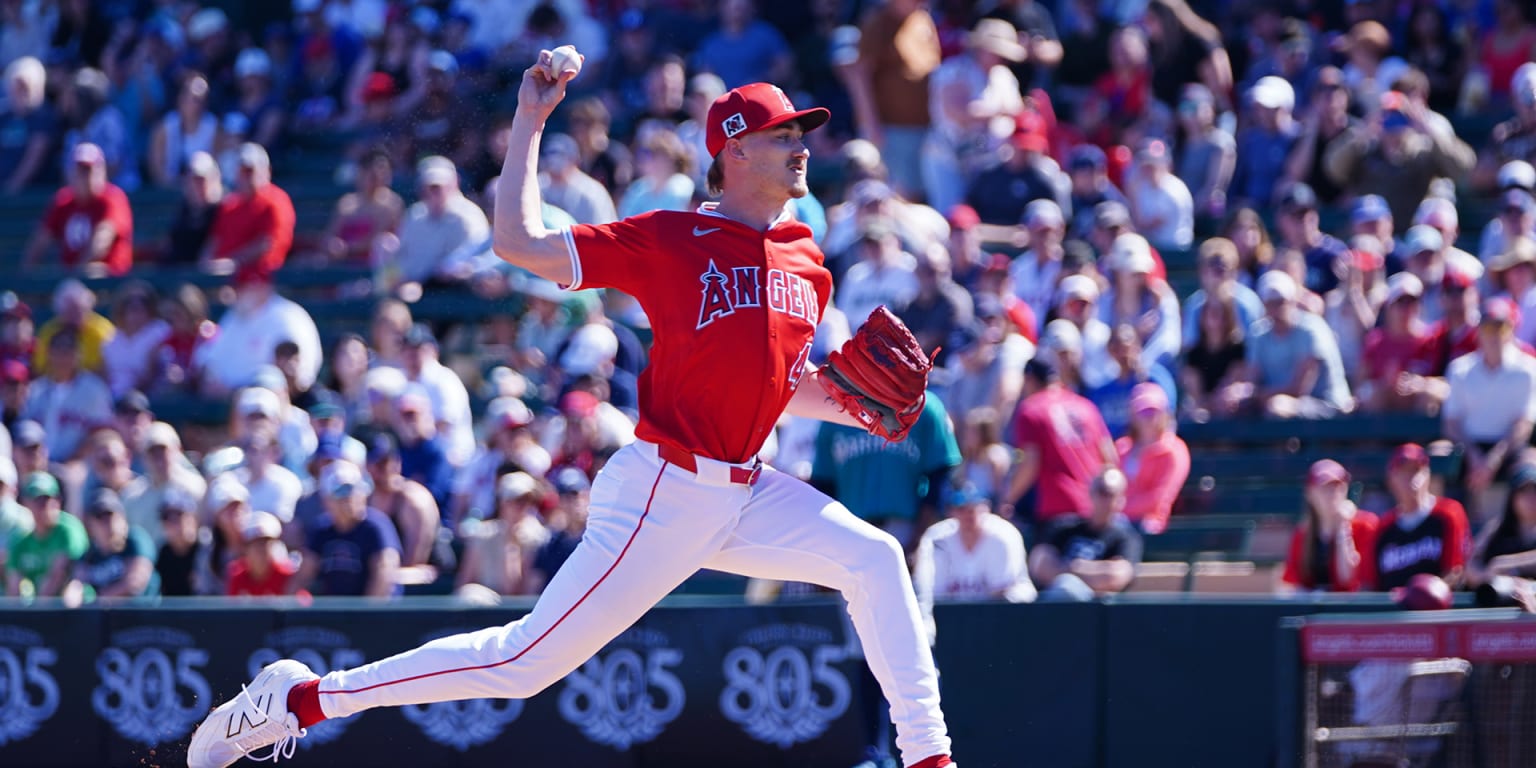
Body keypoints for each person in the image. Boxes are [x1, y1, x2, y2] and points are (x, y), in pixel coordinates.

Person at [187, 61, 957, 768]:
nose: (800, 148)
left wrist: (852, 406)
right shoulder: (672, 238)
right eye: (782, 134)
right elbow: (518, 241)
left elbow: (781, 384)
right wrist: (529, 122)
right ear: (733, 149)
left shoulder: (806, 259)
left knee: (877, 560)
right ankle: (298, 699)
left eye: (801, 134)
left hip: (745, 487)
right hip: (665, 490)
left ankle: (929, 757)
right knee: (522, 664)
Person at [812, 392, 962, 551]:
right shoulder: (837, 408)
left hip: (906, 527)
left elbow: (938, 475)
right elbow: (824, 482)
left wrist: (918, 538)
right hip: (850, 527)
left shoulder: (924, 406)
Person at [1443, 299, 1536, 523]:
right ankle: (1452, 527)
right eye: (1487, 327)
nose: (1494, 334)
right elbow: (1452, 424)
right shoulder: (1460, 370)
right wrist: (1475, 456)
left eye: (1501, 327)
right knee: (1442, 460)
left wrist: (1493, 459)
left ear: (1511, 330)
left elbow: (1523, 425)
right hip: (1469, 447)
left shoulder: (1527, 370)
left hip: (1510, 448)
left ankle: (1520, 534)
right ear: (1478, 332)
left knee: (1529, 470)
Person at [1001, 356, 1117, 526]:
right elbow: (1110, 458)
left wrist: (1007, 498)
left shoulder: (1031, 409)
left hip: (1058, 512)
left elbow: (1030, 464)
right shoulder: (1086, 406)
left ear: (1029, 379)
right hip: (1095, 510)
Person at [913, 482, 1036, 642]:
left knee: (1017, 597)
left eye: (974, 507)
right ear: (951, 511)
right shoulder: (936, 538)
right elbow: (930, 595)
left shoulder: (1003, 536)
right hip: (951, 622)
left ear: (987, 507)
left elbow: (1000, 596)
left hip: (1001, 622)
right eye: (961, 508)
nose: (968, 515)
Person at [1234, 271, 1354, 419]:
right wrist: (1239, 394)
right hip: (1275, 402)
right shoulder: (1258, 334)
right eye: (1271, 303)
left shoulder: (1311, 329)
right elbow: (1252, 378)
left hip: (1328, 406)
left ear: (1292, 301)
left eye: (1281, 302)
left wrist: (1256, 395)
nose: (1276, 309)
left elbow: (1299, 389)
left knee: (1277, 407)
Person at [1366, 444, 1470, 591]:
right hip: (1391, 610)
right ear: (1391, 480)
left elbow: (1456, 572)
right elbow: (1371, 584)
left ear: (1428, 475)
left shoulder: (1449, 513)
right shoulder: (1383, 528)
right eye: (1403, 472)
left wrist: (1421, 596)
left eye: (1416, 470)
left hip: (1436, 609)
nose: (1411, 478)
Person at [1028, 468, 1143, 599]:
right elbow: (1040, 567)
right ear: (1090, 493)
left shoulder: (1126, 537)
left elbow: (1116, 577)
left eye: (1110, 494)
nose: (1104, 499)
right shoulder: (1063, 526)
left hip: (1095, 609)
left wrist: (1071, 567)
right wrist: (1097, 571)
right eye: (1100, 491)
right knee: (1065, 587)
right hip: (1052, 603)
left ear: (1121, 499)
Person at [292, 460, 401, 598]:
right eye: (340, 492)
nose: (348, 498)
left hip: (375, 614)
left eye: (352, 490)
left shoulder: (377, 526)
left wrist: (367, 615)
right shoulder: (321, 530)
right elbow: (303, 576)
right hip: (334, 614)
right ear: (326, 501)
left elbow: (385, 575)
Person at [23, 142, 134, 276]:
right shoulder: (64, 200)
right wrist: (26, 272)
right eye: (80, 171)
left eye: (89, 171)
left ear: (102, 172)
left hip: (109, 278)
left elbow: (101, 241)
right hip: (71, 277)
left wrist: (77, 273)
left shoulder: (112, 198)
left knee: (93, 271)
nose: (85, 177)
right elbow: (41, 239)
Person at [200, 143, 296, 286]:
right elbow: (215, 241)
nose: (245, 176)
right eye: (241, 170)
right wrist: (205, 263)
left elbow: (268, 243)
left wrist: (232, 262)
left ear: (267, 171)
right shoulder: (230, 204)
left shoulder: (276, 201)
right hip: (226, 281)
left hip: (260, 281)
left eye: (250, 170)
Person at [1277, 460, 1380, 593]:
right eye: (1325, 487)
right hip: (1313, 609)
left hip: (1349, 609)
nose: (1333, 493)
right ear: (1310, 493)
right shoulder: (1302, 534)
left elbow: (1347, 579)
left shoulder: (1366, 525)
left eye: (1338, 486)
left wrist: (1343, 528)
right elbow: (1288, 586)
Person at [1116, 383, 1189, 535]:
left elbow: (1159, 498)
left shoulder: (1174, 450)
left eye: (1153, 411)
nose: (1149, 417)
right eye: (1143, 411)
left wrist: (1118, 509)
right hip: (1117, 522)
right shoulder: (1121, 447)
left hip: (1152, 526)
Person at [67, 488, 157, 602]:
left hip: (143, 615)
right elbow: (76, 585)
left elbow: (135, 582)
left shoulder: (135, 540)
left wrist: (97, 600)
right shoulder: (89, 554)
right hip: (105, 617)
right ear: (90, 525)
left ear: (122, 518)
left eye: (111, 516)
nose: (108, 524)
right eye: (100, 518)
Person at [6, 472, 87, 598]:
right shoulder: (21, 542)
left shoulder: (68, 529)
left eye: (47, 500)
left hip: (72, 608)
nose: (43, 507)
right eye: (37, 501)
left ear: (58, 501)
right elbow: (13, 586)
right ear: (26, 503)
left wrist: (38, 610)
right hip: (41, 608)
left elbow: (58, 575)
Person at [1467, 463, 1536, 587]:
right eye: (1524, 492)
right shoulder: (1496, 528)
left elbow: (1499, 565)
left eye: (1535, 492)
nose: (1531, 499)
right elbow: (1472, 563)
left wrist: (1507, 564)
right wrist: (1485, 578)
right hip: (1496, 599)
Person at [227, 510, 299, 598]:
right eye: (255, 543)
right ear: (245, 548)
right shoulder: (237, 576)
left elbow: (305, 607)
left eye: (265, 542)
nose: (261, 549)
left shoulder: (288, 576)